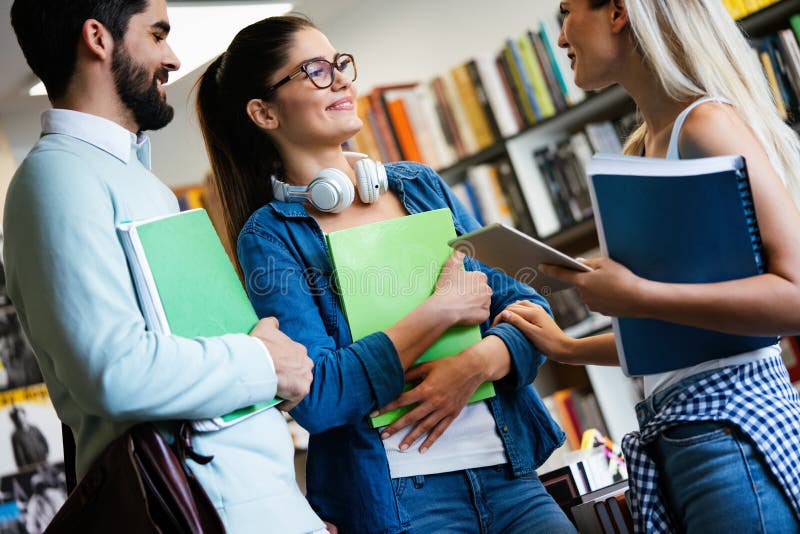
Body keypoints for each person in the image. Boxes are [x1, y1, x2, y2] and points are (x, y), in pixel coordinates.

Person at [196, 15, 578, 534]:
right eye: (314, 70)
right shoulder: (270, 236)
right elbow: (321, 396)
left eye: (340, 64)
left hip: (511, 477)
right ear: (264, 112)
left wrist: (475, 364)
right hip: (406, 505)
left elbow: (531, 308)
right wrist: (439, 310)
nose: (341, 79)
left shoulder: (419, 186)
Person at [6, 1, 326, 532]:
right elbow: (115, 372)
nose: (172, 57)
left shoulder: (134, 179)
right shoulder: (57, 178)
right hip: (201, 510)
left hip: (256, 503)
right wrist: (264, 362)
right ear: (98, 38)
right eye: (157, 34)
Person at [494, 0, 800, 532]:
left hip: (732, 432)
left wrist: (638, 296)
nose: (561, 39)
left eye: (566, 13)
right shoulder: (644, 149)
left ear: (617, 12)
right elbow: (685, 339)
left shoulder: (706, 124)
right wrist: (567, 347)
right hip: (683, 435)